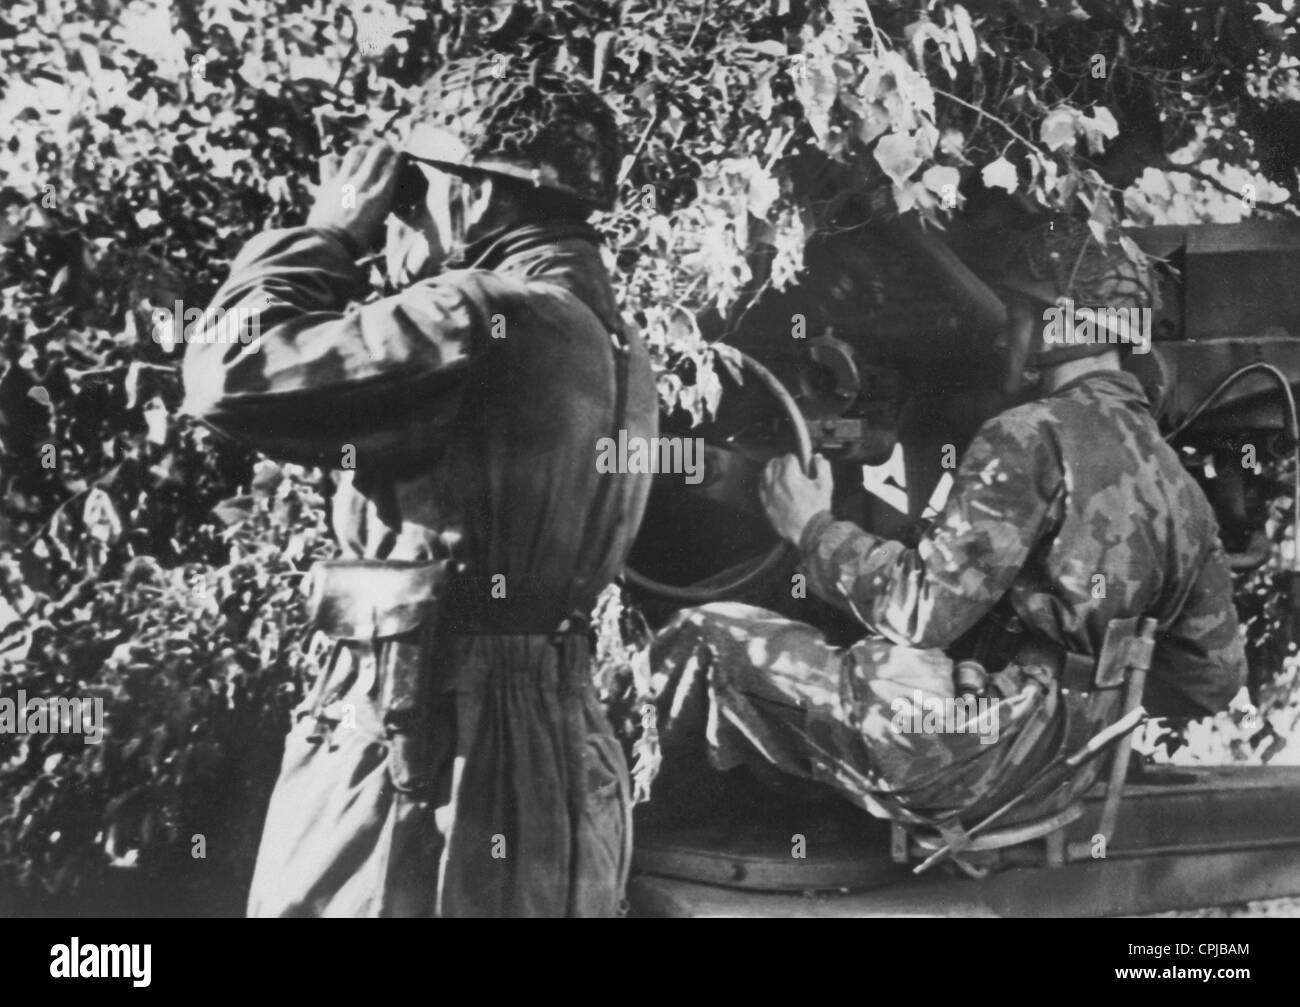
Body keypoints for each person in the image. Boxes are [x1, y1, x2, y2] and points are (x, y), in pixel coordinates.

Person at [183, 55, 656, 917]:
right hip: (557, 748)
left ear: (471, 196)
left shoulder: (476, 316)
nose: (400, 225)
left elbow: (228, 374)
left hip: (427, 746)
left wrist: (326, 237)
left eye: (412, 194)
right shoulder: (614, 343)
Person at [650, 217, 1246, 833]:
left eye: (1017, 314)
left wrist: (812, 528)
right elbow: (1212, 680)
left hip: (966, 753)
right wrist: (1067, 686)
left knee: (708, 638)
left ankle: (619, 846)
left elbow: (920, 612)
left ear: (1057, 326)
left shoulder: (1032, 434)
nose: (1004, 336)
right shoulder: (1178, 483)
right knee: (854, 658)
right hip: (1061, 776)